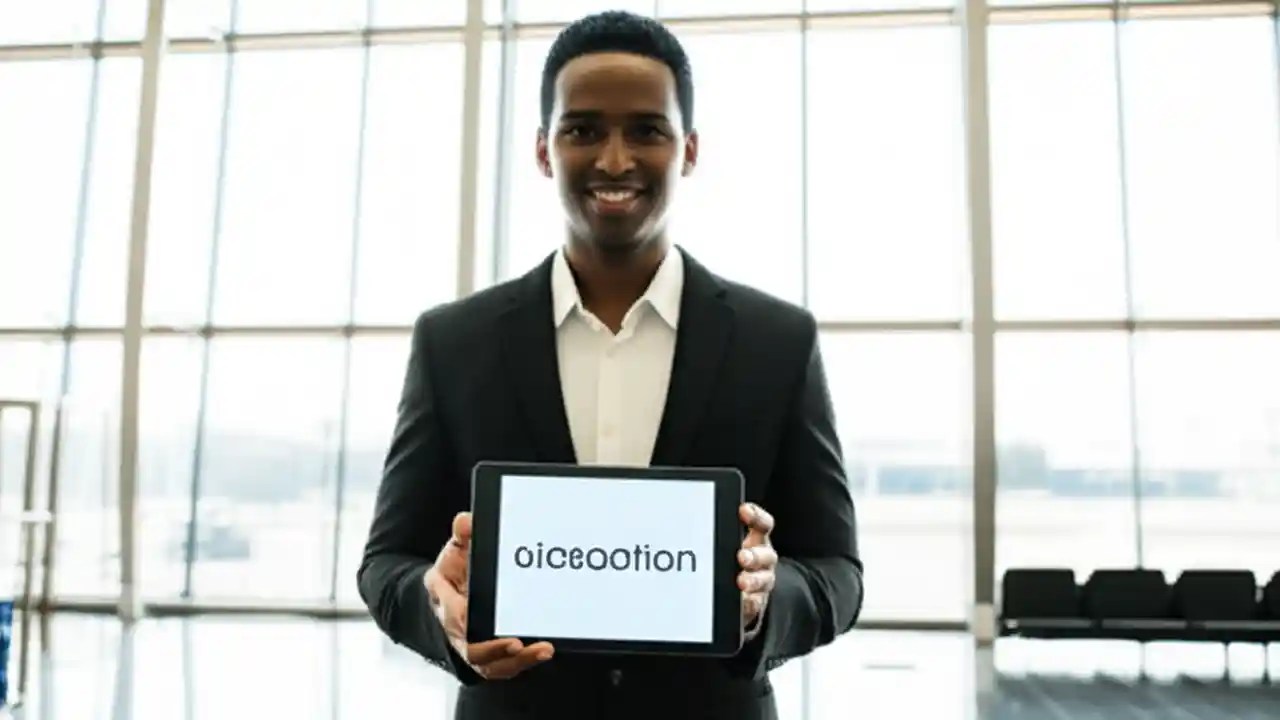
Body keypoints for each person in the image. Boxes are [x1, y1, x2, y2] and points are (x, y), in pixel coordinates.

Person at [357, 10, 863, 719]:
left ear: (688, 149)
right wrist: (437, 606)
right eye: (583, 131)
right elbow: (387, 564)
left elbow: (839, 572)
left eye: (647, 131)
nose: (616, 160)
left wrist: (765, 599)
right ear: (544, 150)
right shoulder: (454, 342)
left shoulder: (776, 342)